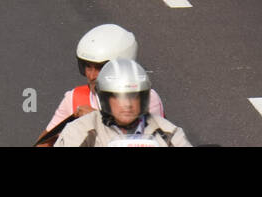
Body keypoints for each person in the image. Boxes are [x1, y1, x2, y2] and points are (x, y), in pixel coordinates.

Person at [39, 25, 165, 145]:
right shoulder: (74, 99)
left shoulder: (146, 100)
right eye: (88, 66)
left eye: (100, 68)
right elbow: (44, 142)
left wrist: (97, 119)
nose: (92, 76)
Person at [52, 59, 190, 147]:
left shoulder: (168, 132)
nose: (127, 104)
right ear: (106, 98)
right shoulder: (80, 131)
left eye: (133, 96)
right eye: (119, 97)